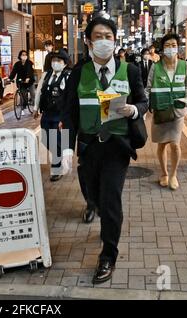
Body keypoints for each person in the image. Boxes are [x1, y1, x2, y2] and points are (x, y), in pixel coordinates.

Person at [61, 17, 148, 284]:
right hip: (88, 146)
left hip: (117, 146)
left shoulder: (130, 71)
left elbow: (143, 100)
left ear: (115, 40)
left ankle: (108, 254)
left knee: (111, 200)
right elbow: (70, 113)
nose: (103, 41)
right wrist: (64, 148)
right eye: (97, 36)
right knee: (94, 195)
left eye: (108, 36)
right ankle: (96, 209)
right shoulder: (78, 72)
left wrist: (135, 110)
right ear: (88, 42)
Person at [146, 34, 187, 190]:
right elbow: (148, 87)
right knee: (161, 145)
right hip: (161, 110)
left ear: (178, 47)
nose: (171, 48)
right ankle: (164, 173)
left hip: (178, 111)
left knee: (175, 144)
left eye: (174, 45)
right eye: (168, 45)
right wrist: (144, 106)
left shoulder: (184, 65)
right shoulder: (155, 66)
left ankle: (173, 175)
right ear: (163, 48)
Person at [33, 49, 72, 182]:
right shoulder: (46, 75)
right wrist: (35, 108)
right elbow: (39, 92)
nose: (55, 63)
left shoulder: (68, 76)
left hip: (60, 115)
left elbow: (70, 98)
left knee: (57, 141)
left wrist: (66, 117)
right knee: (46, 139)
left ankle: (57, 168)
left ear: (65, 63)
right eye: (53, 60)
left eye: (59, 60)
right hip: (47, 114)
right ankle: (62, 158)